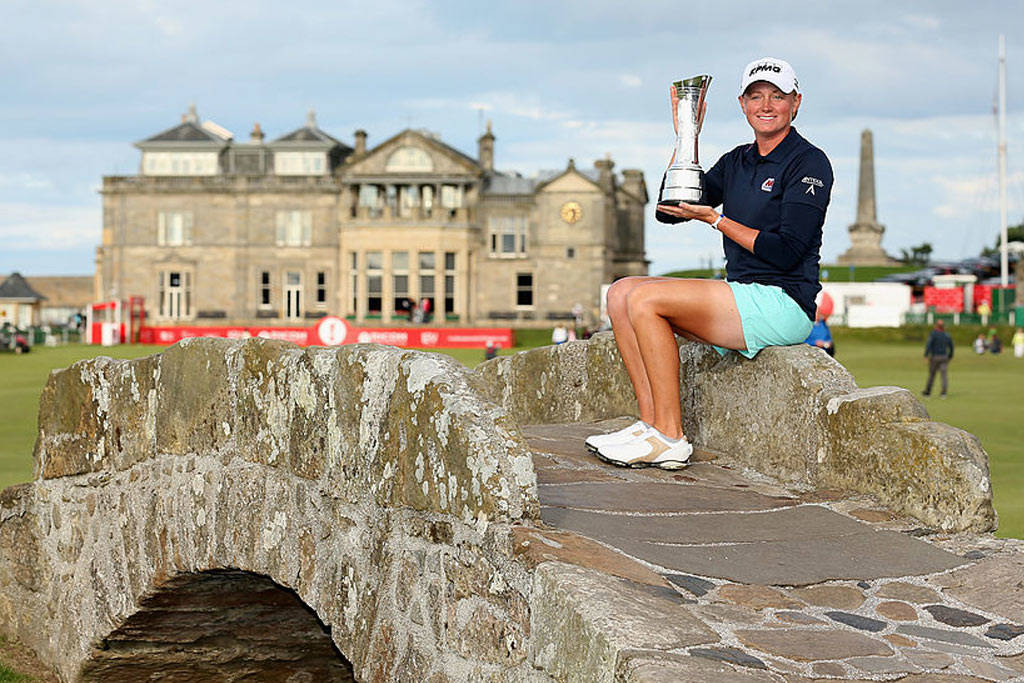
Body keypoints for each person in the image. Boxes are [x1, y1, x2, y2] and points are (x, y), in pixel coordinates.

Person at [586, 57, 833, 469]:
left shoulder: (809, 162)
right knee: (621, 293)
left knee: (646, 301)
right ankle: (651, 425)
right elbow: (670, 209)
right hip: (741, 296)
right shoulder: (739, 161)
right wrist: (687, 135)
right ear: (742, 104)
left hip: (782, 302)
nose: (766, 105)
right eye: (756, 96)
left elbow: (787, 250)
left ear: (796, 102)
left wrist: (717, 220)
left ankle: (670, 437)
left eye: (778, 96)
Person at [923, 319, 954, 398]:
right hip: (944, 357)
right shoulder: (946, 335)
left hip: (935, 357)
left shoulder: (933, 334)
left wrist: (926, 355)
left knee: (932, 375)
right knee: (944, 375)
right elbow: (951, 346)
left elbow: (929, 345)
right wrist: (950, 356)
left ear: (936, 326)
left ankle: (927, 392)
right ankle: (943, 393)